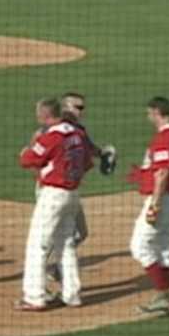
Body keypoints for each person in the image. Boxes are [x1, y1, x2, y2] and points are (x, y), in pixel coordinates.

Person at [16, 98, 93, 310]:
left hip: (53, 195)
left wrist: (24, 153)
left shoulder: (52, 136)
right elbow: (88, 163)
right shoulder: (77, 134)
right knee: (66, 244)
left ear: (45, 114)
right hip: (73, 194)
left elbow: (28, 160)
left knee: (37, 245)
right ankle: (72, 295)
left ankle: (34, 296)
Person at [44, 92, 114, 289]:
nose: (81, 111)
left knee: (80, 233)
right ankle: (39, 271)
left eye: (83, 107)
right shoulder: (53, 129)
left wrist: (102, 154)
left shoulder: (79, 130)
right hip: (51, 190)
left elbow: (88, 147)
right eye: (78, 107)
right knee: (48, 235)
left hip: (69, 191)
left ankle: (57, 267)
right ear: (65, 108)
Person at [127, 96, 169, 314]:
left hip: (164, 197)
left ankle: (163, 293)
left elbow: (163, 172)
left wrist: (155, 204)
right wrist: (143, 175)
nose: (148, 117)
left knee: (139, 245)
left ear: (156, 112)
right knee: (164, 245)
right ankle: (165, 295)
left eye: (149, 113)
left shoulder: (166, 137)